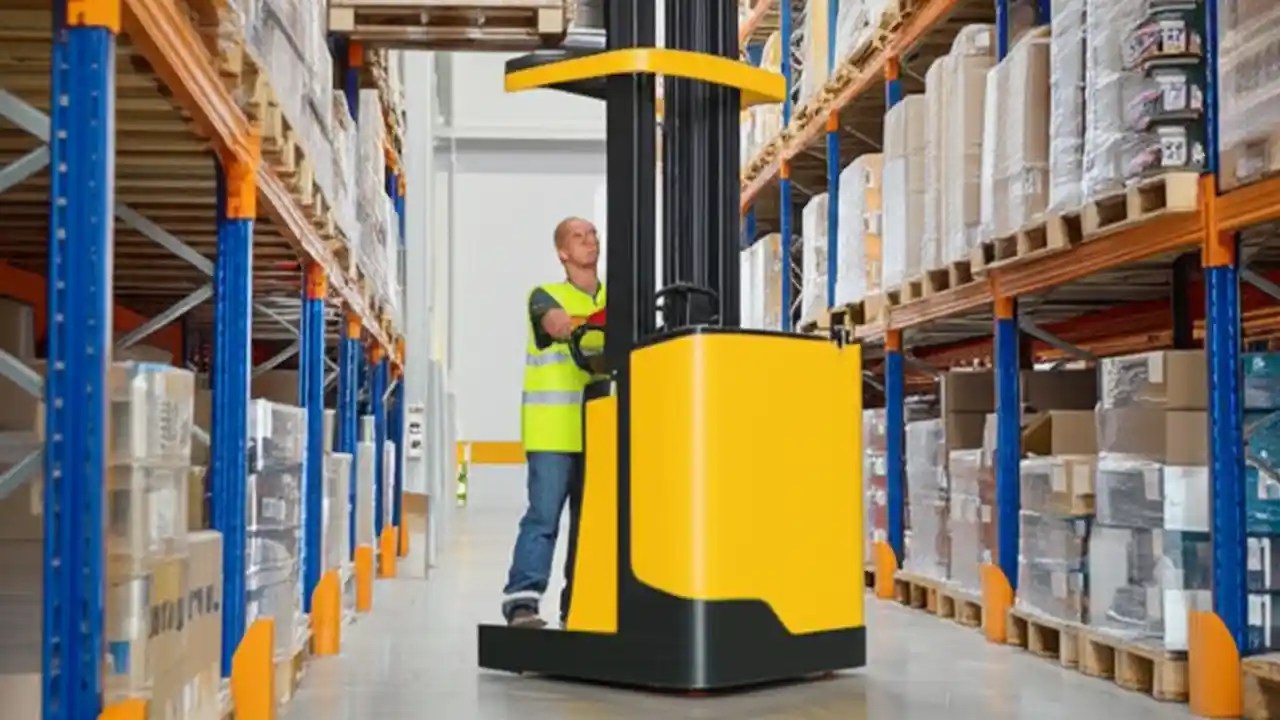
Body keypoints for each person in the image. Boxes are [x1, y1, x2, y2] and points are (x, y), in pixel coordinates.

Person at [501, 216, 606, 628]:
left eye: (593, 235)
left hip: (600, 431)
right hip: (553, 432)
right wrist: (599, 325)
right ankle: (522, 601)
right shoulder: (545, 296)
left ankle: (578, 606)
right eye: (579, 238)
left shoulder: (616, 297)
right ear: (563, 252)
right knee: (544, 518)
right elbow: (558, 325)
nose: (590, 242)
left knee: (590, 525)